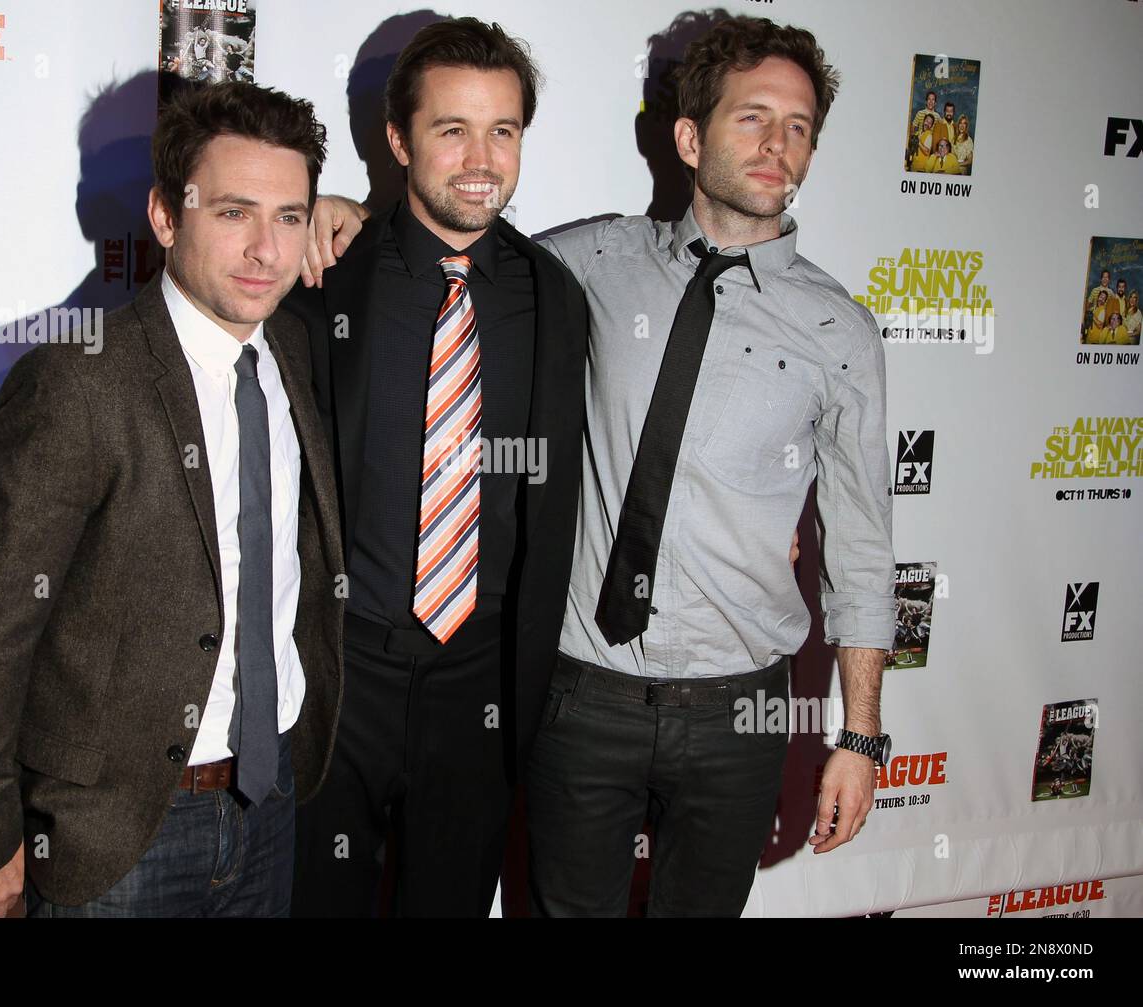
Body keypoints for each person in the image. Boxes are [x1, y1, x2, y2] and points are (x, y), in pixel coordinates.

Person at [309, 11, 890, 918]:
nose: (778, 144)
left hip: (735, 711)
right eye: (752, 118)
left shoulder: (840, 331)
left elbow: (862, 547)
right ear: (691, 138)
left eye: (800, 126)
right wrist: (331, 212)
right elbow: (451, 230)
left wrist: (860, 732)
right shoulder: (584, 266)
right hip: (575, 697)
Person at [0, 81, 344, 918]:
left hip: (270, 799)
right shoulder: (79, 380)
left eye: (289, 216)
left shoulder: (295, 347)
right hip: (112, 831)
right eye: (233, 213)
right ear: (165, 216)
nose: (267, 248)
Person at [283, 17, 587, 918]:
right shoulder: (326, 276)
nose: (480, 158)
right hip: (338, 679)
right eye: (451, 129)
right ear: (398, 139)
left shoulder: (553, 297)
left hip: (479, 689)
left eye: (504, 130)